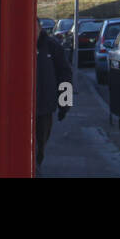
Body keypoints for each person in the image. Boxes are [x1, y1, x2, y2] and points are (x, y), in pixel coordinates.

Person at [35, 19, 72, 168]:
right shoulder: (16, 43)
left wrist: (65, 104)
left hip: (44, 107)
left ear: (39, 28)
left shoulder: (52, 46)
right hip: (18, 111)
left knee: (40, 147)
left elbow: (65, 74)